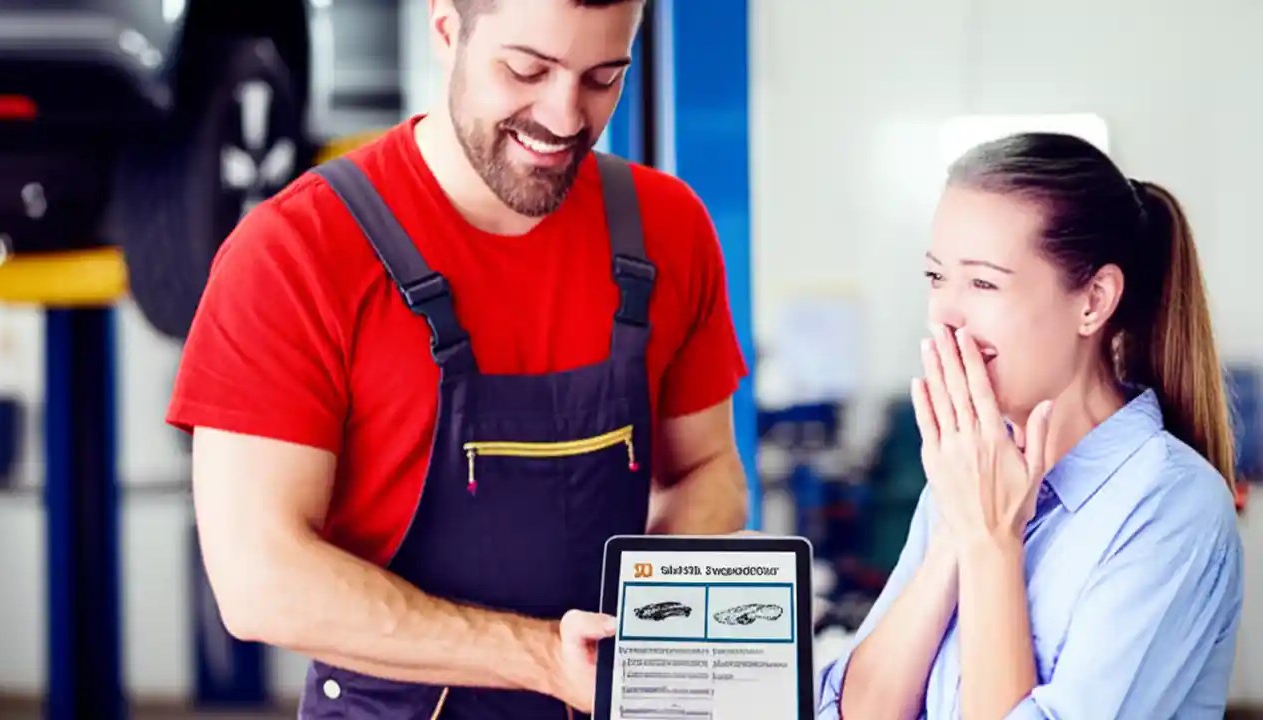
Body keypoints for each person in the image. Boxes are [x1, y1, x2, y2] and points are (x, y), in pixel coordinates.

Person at [166, 0, 750, 717]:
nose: (566, 118)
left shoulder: (667, 229)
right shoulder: (297, 253)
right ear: (446, 28)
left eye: (603, 77)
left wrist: (645, 636)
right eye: (526, 69)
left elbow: (708, 472)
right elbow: (260, 580)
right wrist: (543, 658)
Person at [817, 132, 1244, 719]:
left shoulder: (1172, 506)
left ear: (1093, 301)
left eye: (984, 283)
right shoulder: (971, 470)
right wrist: (957, 533)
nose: (944, 313)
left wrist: (992, 543)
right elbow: (853, 712)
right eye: (936, 278)